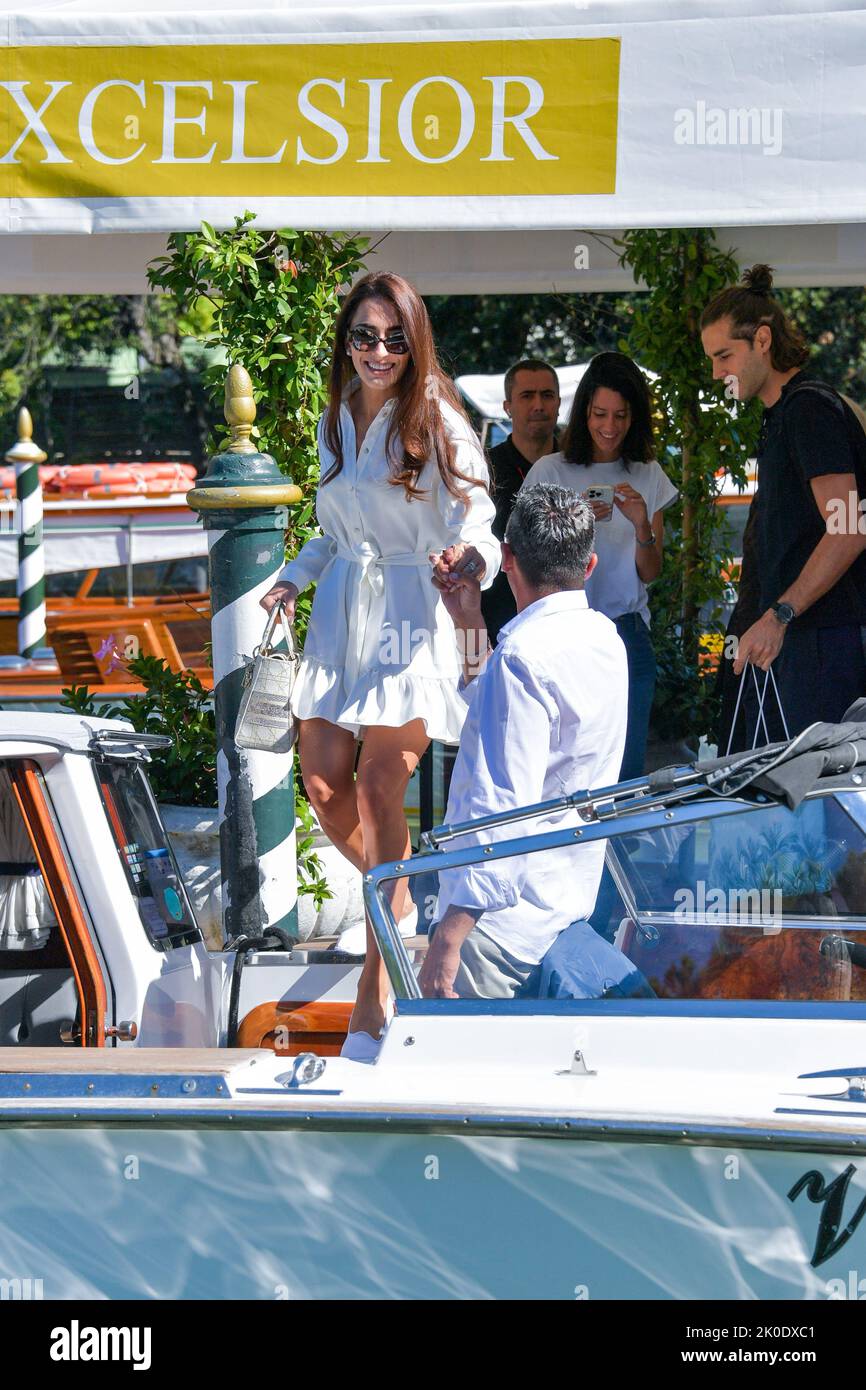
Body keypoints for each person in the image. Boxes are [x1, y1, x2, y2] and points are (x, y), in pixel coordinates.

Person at [259, 271, 500, 1057]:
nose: (379, 351)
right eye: (365, 336)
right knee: (325, 788)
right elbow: (332, 530)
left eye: (395, 337)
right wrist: (294, 576)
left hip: (413, 615)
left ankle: (377, 973)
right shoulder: (335, 420)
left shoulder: (437, 419)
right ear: (347, 342)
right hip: (342, 620)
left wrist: (470, 557)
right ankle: (396, 906)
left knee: (375, 786)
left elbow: (480, 513)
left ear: (414, 341)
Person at [418, 484, 628, 1000]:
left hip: (498, 930)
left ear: (506, 557)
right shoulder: (607, 640)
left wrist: (449, 935)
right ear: (591, 564)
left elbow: (502, 809)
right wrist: (467, 619)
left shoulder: (523, 657)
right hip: (561, 910)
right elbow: (496, 702)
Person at [701, 263, 866, 740]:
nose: (717, 372)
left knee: (819, 800)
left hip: (827, 640)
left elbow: (849, 528)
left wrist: (781, 614)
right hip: (802, 641)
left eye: (725, 355)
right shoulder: (782, 414)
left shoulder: (809, 409)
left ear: (763, 341)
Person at [520, 352, 678, 780]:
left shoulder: (648, 474)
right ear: (583, 411)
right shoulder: (549, 470)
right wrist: (574, 523)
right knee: (564, 770)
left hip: (626, 632)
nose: (609, 427)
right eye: (599, 414)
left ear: (636, 418)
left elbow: (650, 572)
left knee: (623, 775)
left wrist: (642, 523)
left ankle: (614, 849)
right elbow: (523, 560)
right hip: (562, 634)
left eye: (621, 416)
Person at [481, 359, 560, 643]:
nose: (538, 405)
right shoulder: (483, 469)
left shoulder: (577, 465)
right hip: (495, 624)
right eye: (527, 396)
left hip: (561, 629)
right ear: (507, 407)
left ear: (559, 403)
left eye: (547, 395)